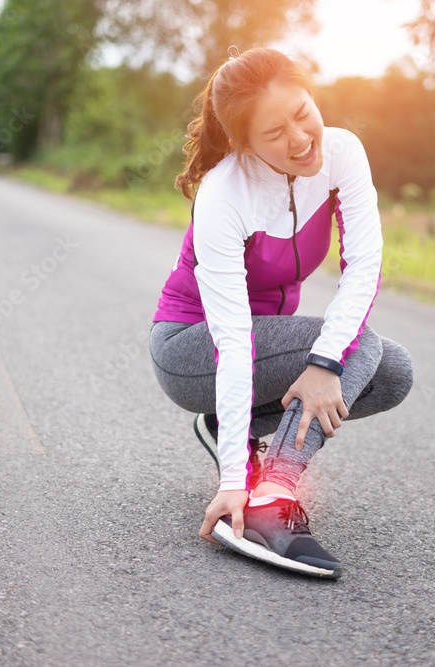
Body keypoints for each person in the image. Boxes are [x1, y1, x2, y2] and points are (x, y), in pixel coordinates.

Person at [148, 46, 413, 579]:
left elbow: (363, 268)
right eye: (274, 134)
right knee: (349, 345)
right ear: (243, 143)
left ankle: (232, 425)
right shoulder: (225, 193)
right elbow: (233, 340)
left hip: (261, 348)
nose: (299, 138)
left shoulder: (343, 153)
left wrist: (326, 364)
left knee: (390, 372)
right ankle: (272, 494)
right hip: (192, 347)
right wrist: (230, 484)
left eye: (302, 112)